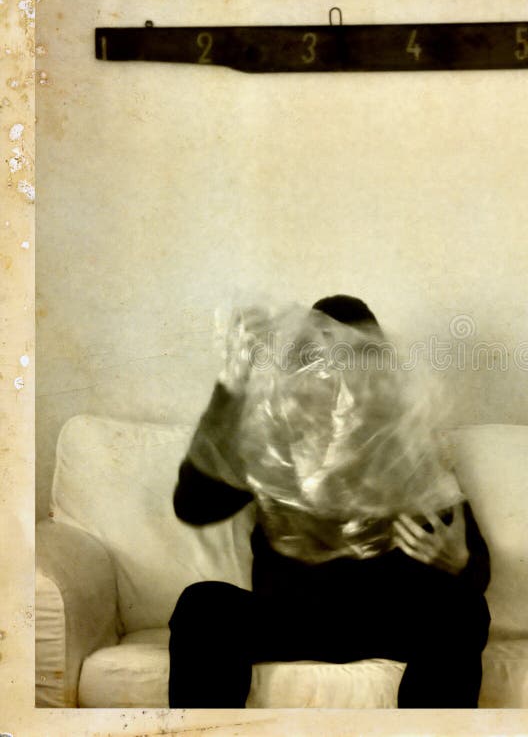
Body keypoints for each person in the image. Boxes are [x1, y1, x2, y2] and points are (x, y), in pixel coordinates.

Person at [168, 295, 491, 708]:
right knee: (202, 606)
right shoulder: (273, 441)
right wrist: (232, 384)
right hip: (291, 616)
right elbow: (194, 505)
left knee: (464, 608)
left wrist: (460, 562)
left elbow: (474, 565)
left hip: (386, 618)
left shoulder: (406, 445)